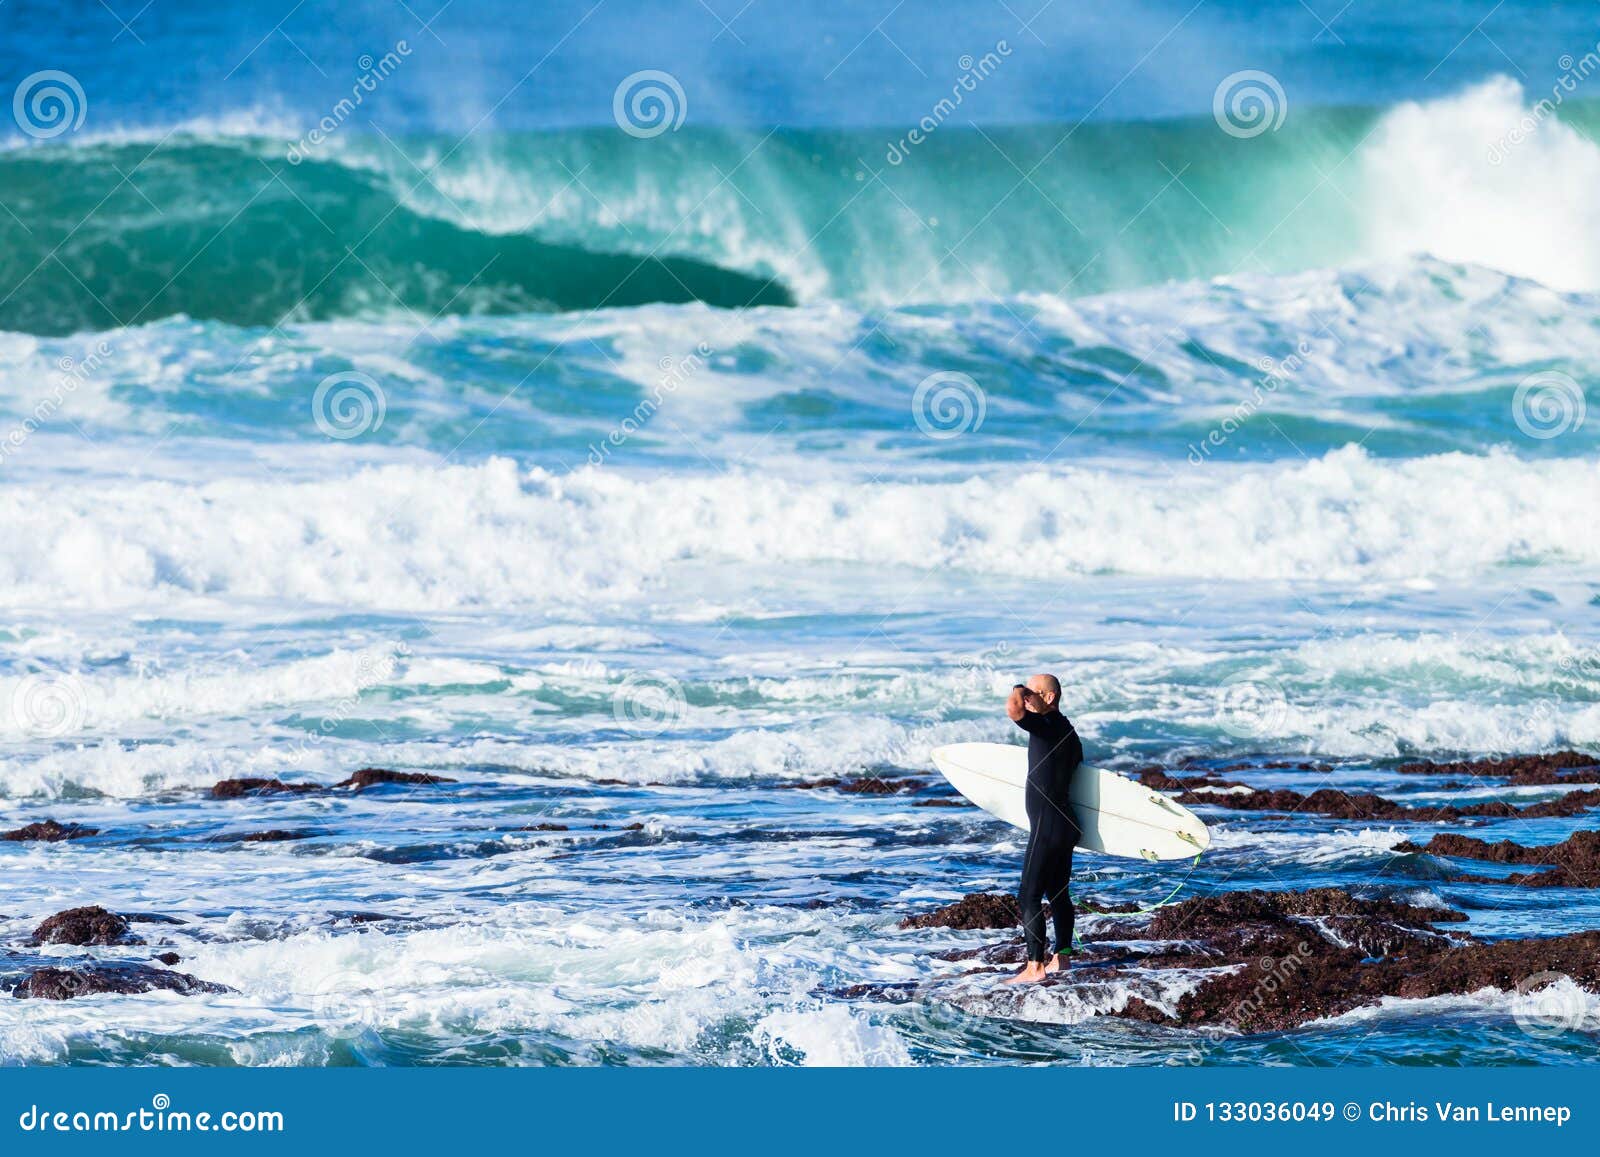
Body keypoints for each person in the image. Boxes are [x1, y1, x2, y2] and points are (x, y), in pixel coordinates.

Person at [1003, 673, 1083, 984]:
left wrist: (1017, 688)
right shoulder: (1068, 731)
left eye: (1031, 693)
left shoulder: (1048, 725)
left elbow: (1013, 709)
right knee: (1058, 893)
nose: (1025, 699)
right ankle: (1062, 957)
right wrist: (1029, 692)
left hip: (1048, 824)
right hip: (1065, 824)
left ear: (1048, 698)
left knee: (1028, 895)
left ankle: (1035, 966)